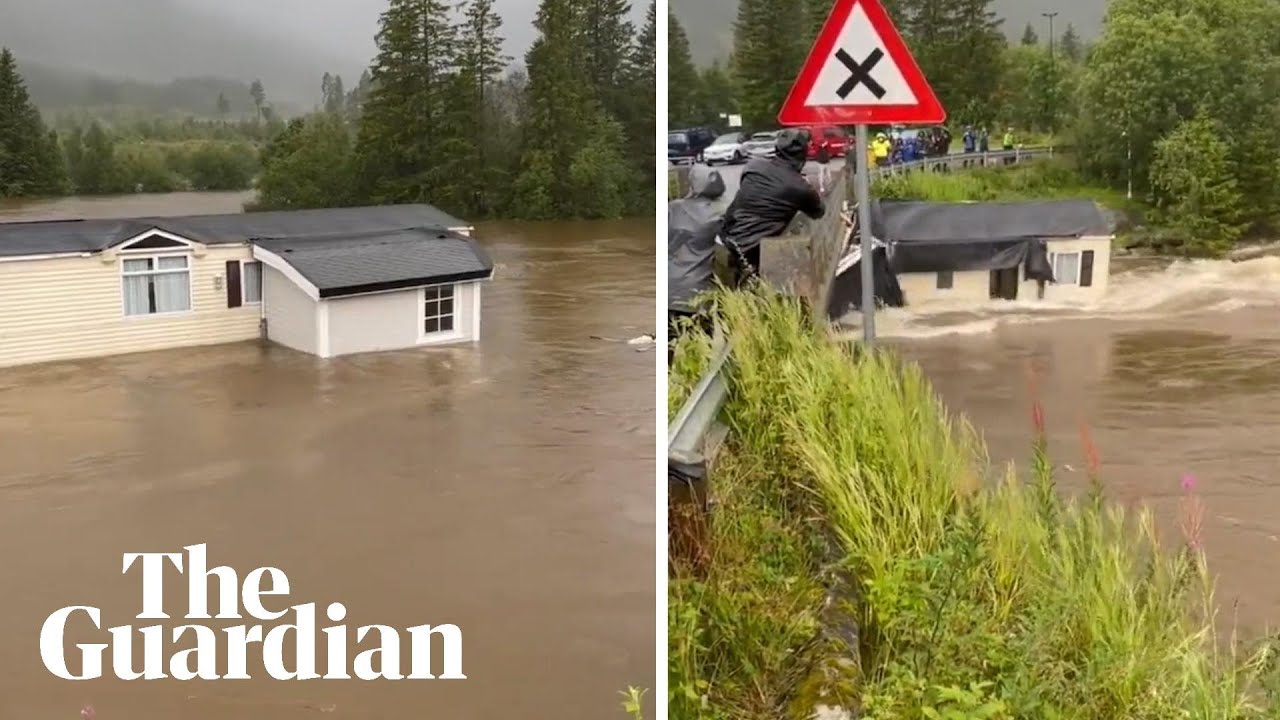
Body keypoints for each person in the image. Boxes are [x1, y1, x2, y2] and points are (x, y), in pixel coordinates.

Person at [719, 128, 825, 286]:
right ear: (803, 153)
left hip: (725, 239)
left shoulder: (753, 167)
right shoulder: (800, 187)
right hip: (754, 252)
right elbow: (819, 211)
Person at [667, 165, 727, 360]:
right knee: (702, 348)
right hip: (700, 293)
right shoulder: (722, 211)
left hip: (670, 290)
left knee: (668, 348)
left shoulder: (673, 208)